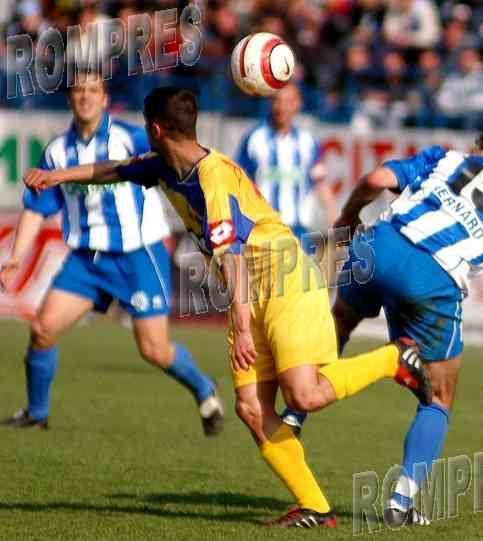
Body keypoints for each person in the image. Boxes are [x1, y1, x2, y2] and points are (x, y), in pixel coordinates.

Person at [23, 86, 432, 528]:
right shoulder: (164, 165)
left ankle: (394, 358)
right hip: (249, 290)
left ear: (155, 129)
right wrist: (57, 176)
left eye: (145, 126)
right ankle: (315, 507)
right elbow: (117, 169)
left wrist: (238, 318)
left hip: (284, 278)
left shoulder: (211, 175)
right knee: (253, 409)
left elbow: (230, 251)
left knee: (304, 394)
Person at [330, 129, 483, 525]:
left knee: (337, 326)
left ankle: (291, 418)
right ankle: (400, 502)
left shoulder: (448, 157)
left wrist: (347, 216)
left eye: (481, 146)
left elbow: (376, 180)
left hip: (381, 245)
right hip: (434, 278)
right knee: (439, 397)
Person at [0, 77, 224, 436]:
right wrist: (16, 257)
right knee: (42, 329)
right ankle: (37, 413)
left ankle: (204, 388)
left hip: (138, 255)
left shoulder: (132, 137)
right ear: (70, 97)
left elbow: (179, 156)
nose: (85, 97)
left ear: (105, 98)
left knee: (154, 349)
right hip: (87, 260)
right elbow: (36, 207)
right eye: (78, 90)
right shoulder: (57, 151)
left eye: (92, 90)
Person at [235, 83, 337, 246]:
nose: (282, 107)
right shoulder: (254, 138)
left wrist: (333, 215)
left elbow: (320, 182)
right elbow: (238, 181)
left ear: (298, 104)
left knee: (306, 272)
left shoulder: (307, 141)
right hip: (263, 230)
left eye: (288, 101)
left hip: (299, 231)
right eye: (277, 100)